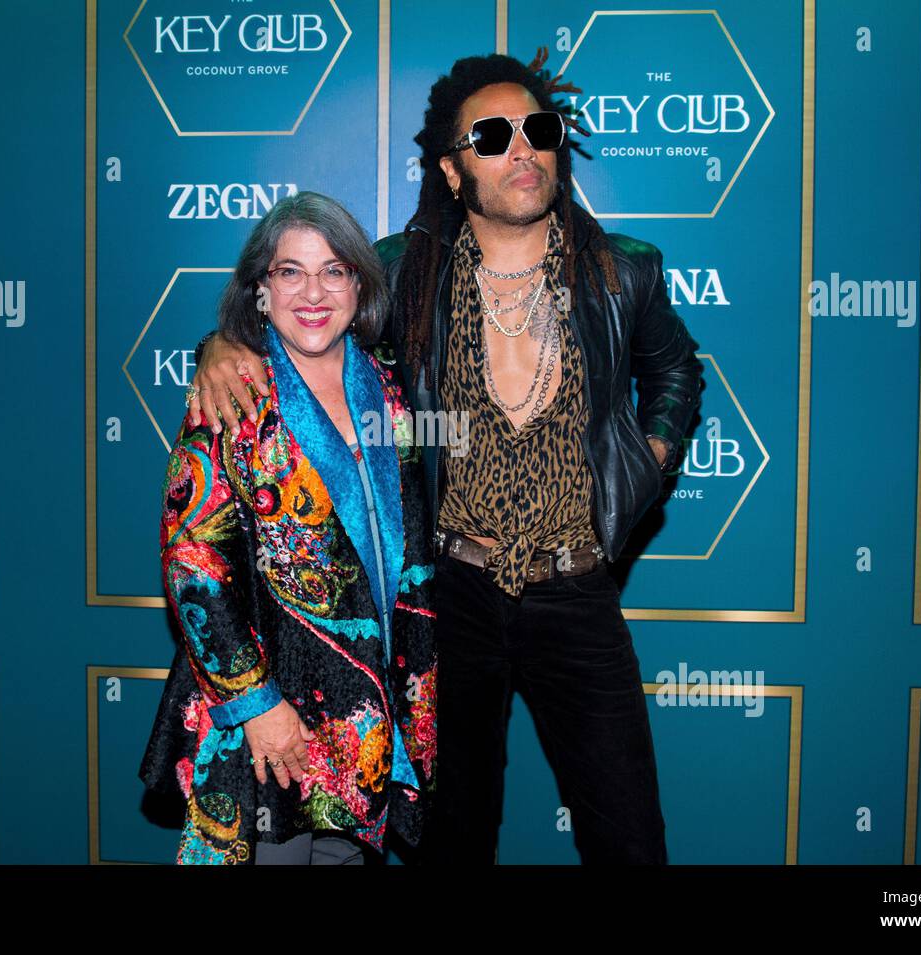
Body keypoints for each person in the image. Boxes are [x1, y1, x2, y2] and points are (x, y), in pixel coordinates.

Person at [185, 51, 703, 865]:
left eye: (540, 129)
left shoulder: (620, 272)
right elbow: (303, 322)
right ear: (454, 172)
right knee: (452, 842)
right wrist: (220, 344)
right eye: (493, 135)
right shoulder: (404, 273)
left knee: (630, 841)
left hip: (577, 592)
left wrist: (649, 461)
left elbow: (676, 368)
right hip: (451, 598)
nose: (524, 148)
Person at [138, 191, 437, 865]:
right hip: (274, 725)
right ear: (261, 289)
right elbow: (193, 563)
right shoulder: (233, 393)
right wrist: (258, 704)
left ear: (359, 285)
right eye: (290, 271)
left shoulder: (391, 391)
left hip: (368, 720)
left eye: (334, 270)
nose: (313, 291)